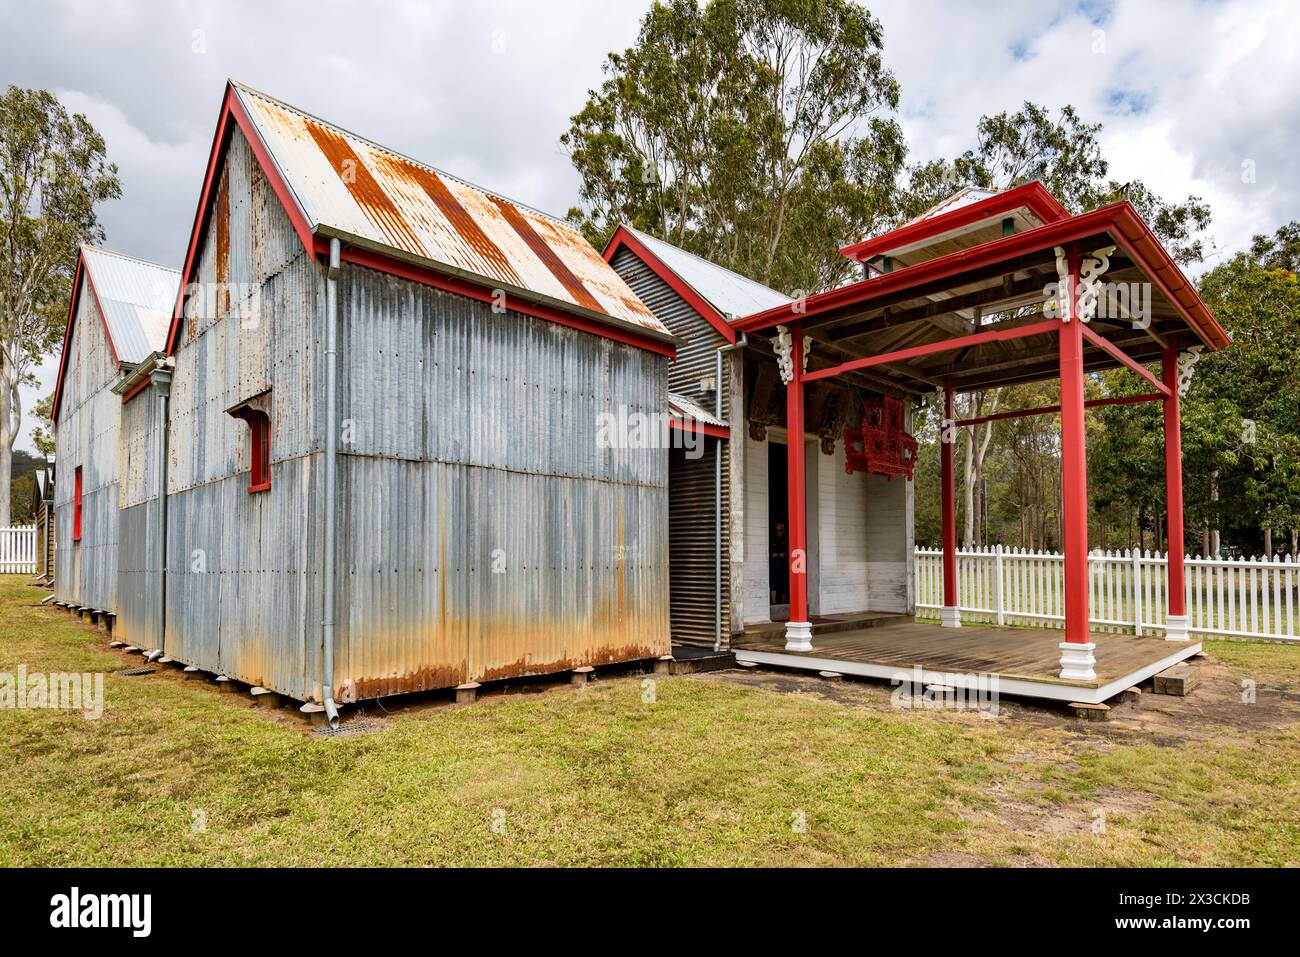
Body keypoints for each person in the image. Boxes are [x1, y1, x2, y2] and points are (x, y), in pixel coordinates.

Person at [770, 520, 789, 606]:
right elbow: (767, 550)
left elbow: (791, 551)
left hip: (784, 566)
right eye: (778, 529)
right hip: (774, 566)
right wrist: (772, 554)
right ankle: (773, 603)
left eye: (781, 529)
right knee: (773, 584)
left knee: (783, 585)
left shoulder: (786, 539)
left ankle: (783, 603)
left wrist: (784, 554)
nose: (779, 531)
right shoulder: (772, 539)